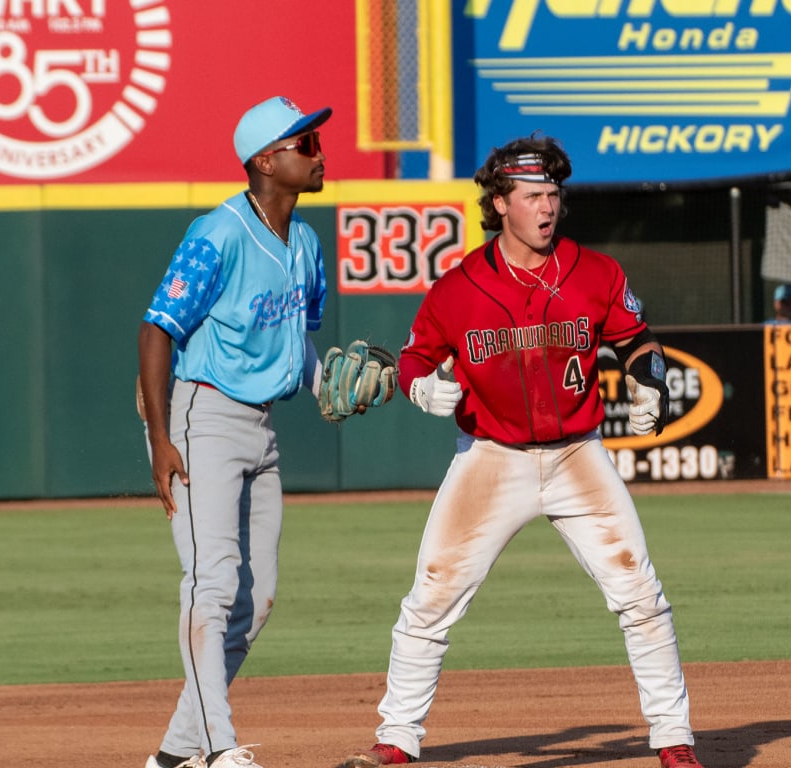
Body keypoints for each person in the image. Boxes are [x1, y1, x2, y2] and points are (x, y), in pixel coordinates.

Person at [340, 135, 705, 768]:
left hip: (577, 456)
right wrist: (420, 384)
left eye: (554, 195)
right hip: (492, 457)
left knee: (640, 594)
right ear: (500, 203)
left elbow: (637, 339)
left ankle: (674, 742)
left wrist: (651, 377)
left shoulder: (595, 272)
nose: (548, 207)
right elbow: (416, 358)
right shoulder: (458, 289)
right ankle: (396, 741)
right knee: (431, 595)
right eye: (533, 195)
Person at [136, 95, 332, 768]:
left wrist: (324, 385)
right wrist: (163, 438)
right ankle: (219, 749)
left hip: (262, 429)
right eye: (305, 144)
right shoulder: (216, 232)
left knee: (256, 601)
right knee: (212, 584)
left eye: (314, 141)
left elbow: (301, 344)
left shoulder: (306, 244)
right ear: (264, 160)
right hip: (202, 416)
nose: (319, 152)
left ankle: (172, 756)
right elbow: (158, 329)